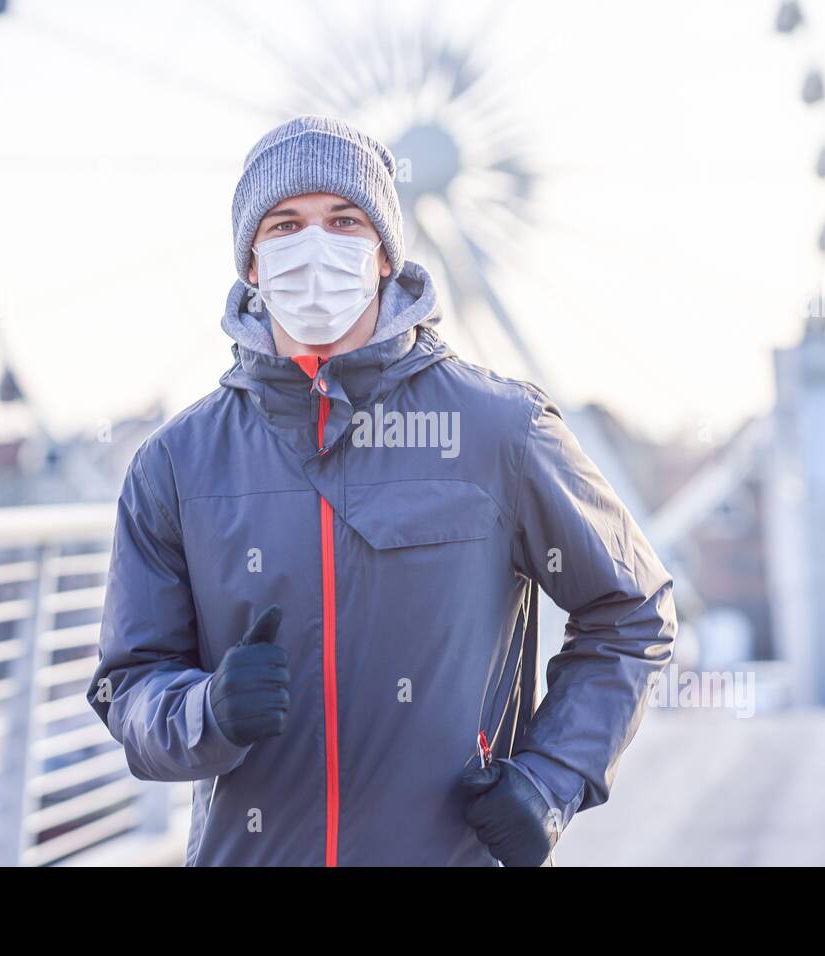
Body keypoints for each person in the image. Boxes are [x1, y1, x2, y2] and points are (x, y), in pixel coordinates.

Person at [87, 115, 677, 867]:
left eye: (342, 220)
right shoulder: (175, 464)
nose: (315, 247)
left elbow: (633, 608)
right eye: (285, 224)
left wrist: (550, 780)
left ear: (383, 254)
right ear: (253, 262)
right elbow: (128, 684)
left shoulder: (500, 429)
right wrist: (207, 711)